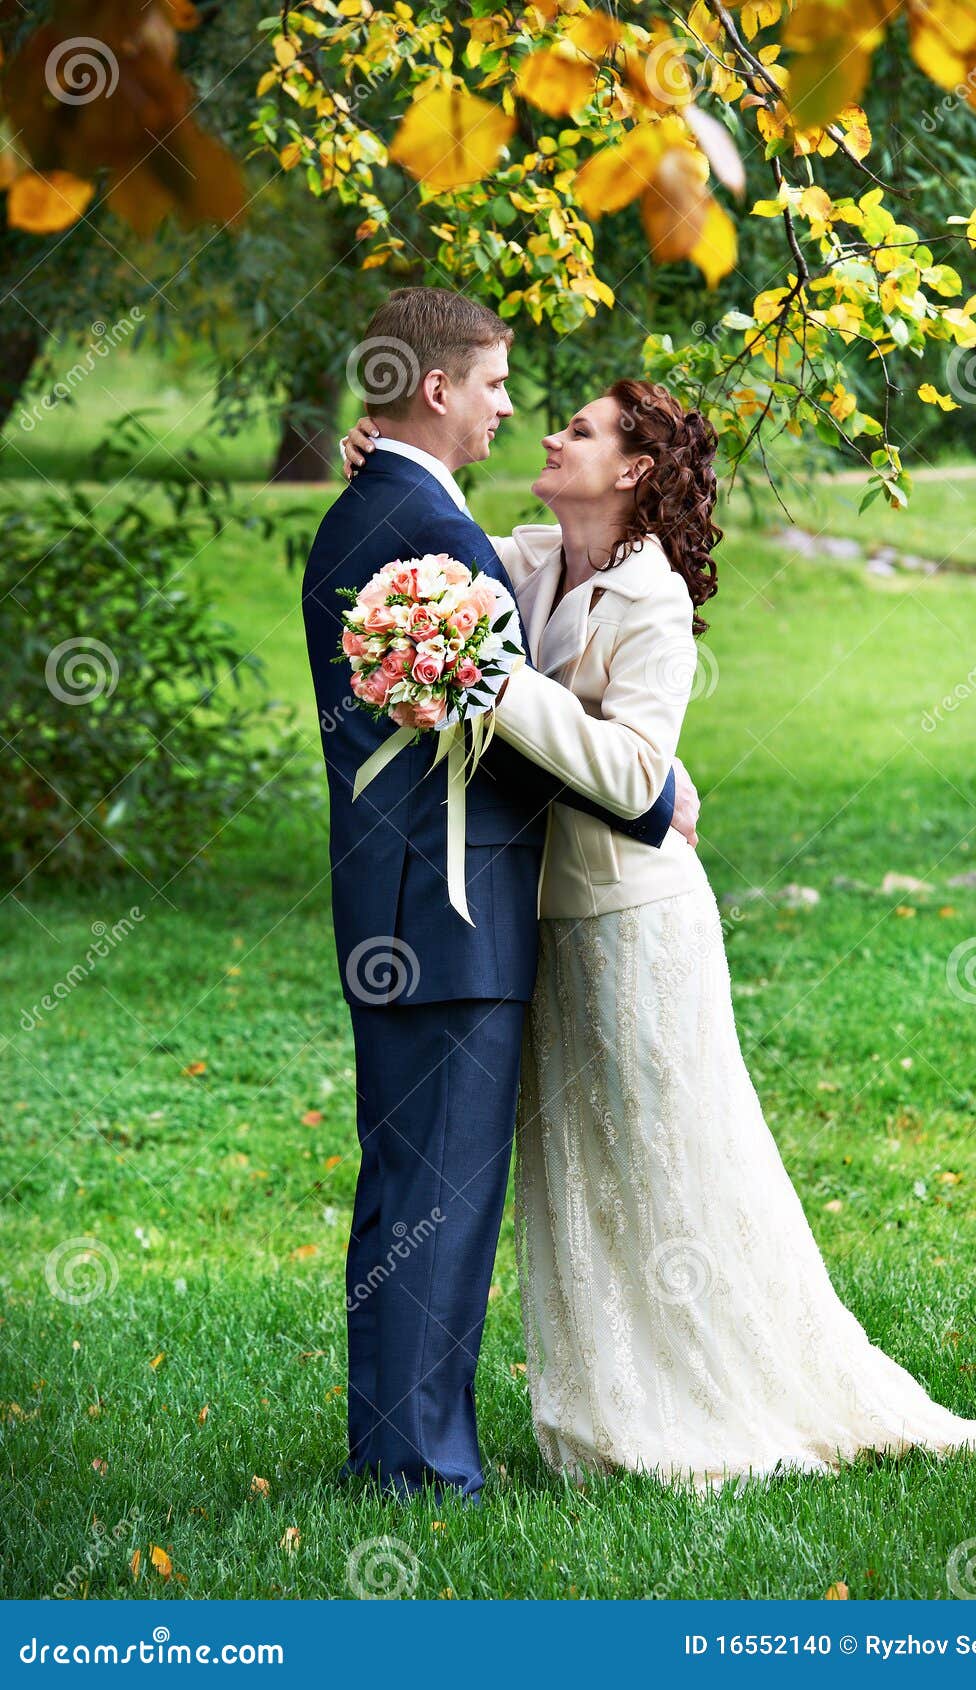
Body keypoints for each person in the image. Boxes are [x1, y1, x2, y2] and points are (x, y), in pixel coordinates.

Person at [341, 376, 976, 1492]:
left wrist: (500, 683)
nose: (548, 432)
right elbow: (434, 541)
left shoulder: (654, 599)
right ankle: (606, 1396)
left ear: (632, 469)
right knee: (580, 1174)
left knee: (674, 1163)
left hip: (635, 928)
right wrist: (379, 463)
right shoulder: (529, 557)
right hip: (541, 927)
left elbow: (636, 773)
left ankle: (724, 1393)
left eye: (577, 429)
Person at [303, 288, 700, 1504]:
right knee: (436, 1199)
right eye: (492, 384)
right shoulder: (416, 527)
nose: (511, 406)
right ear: (437, 389)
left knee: (413, 1190)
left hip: (413, 907)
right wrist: (655, 794)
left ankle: (397, 1452)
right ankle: (418, 1470)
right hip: (446, 913)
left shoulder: (401, 508)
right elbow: (503, 711)